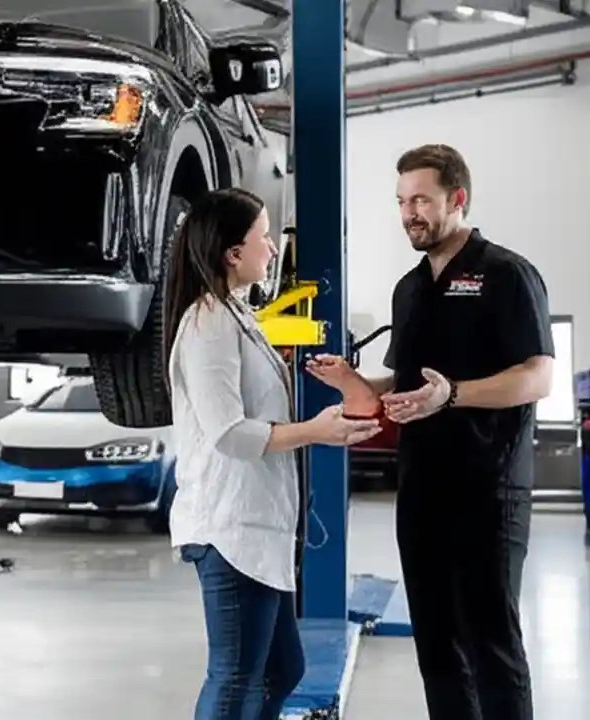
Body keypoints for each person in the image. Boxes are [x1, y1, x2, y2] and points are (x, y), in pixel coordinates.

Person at [305, 144, 554, 720]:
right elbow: (404, 382)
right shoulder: (409, 288)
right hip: (421, 490)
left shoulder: (506, 275)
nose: (409, 213)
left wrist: (455, 394)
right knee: (436, 646)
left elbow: (538, 375)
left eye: (421, 199)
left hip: (488, 490)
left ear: (457, 199)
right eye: (400, 201)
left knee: (491, 643)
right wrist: (352, 380)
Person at [163, 187, 382, 720]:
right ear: (233, 253)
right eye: (264, 238)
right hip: (229, 529)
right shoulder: (208, 321)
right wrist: (314, 430)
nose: (272, 249)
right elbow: (229, 433)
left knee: (283, 670)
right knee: (236, 677)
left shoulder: (237, 315)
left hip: (259, 527)